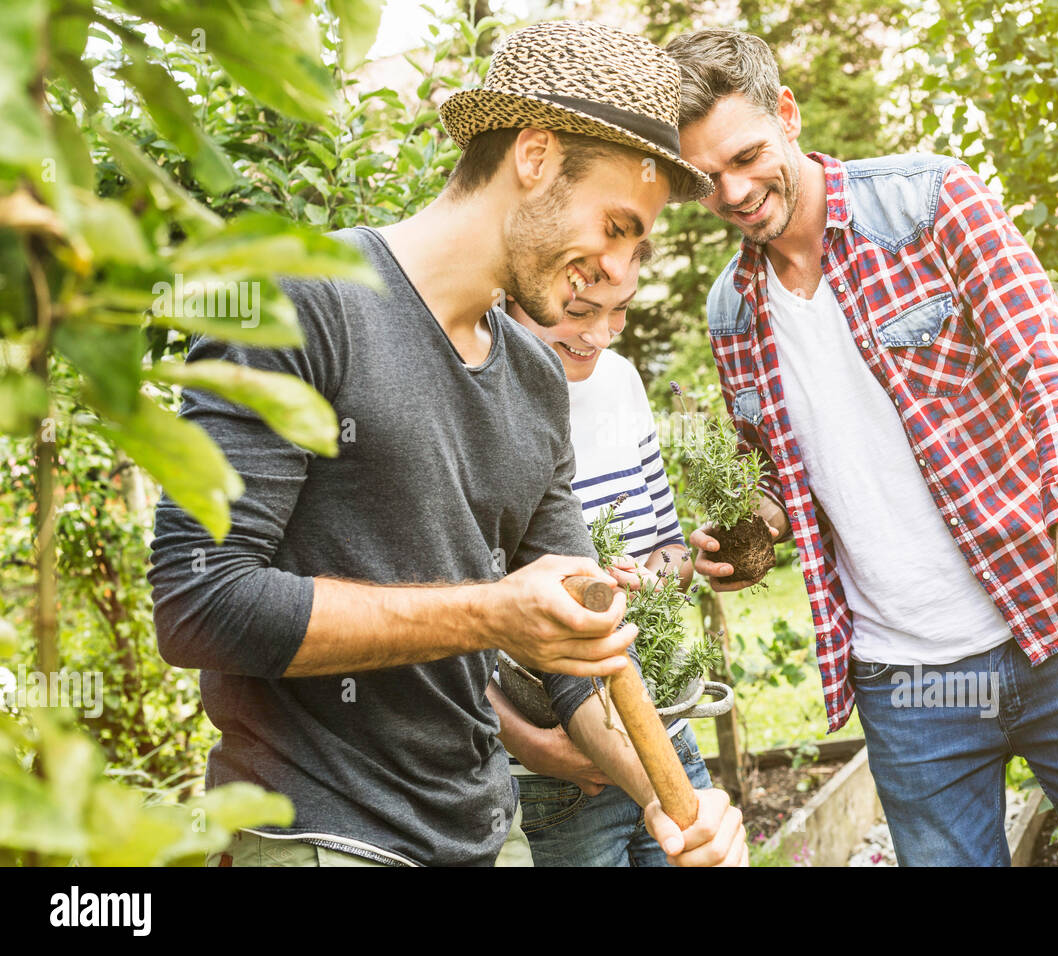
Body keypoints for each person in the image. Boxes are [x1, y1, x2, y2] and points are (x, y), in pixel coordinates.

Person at [149, 20, 744, 868]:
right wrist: (488, 613)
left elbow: (582, 648)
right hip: (320, 837)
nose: (623, 273)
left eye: (638, 246)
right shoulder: (299, 297)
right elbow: (198, 602)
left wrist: (672, 800)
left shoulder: (537, 381)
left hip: (486, 837)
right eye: (615, 225)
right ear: (533, 157)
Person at [664, 28, 1058, 866]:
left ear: (787, 113)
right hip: (908, 687)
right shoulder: (730, 312)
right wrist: (749, 534)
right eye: (708, 179)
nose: (736, 192)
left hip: (1049, 630)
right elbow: (783, 477)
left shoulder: (933, 204)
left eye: (747, 156)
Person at [491, 240, 718, 866]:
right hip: (561, 776)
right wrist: (530, 743)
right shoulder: (479, 406)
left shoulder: (621, 382)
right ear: (511, 294)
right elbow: (450, 629)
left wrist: (652, 578)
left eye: (619, 309)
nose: (601, 334)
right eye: (580, 310)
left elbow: (673, 554)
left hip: (665, 735)